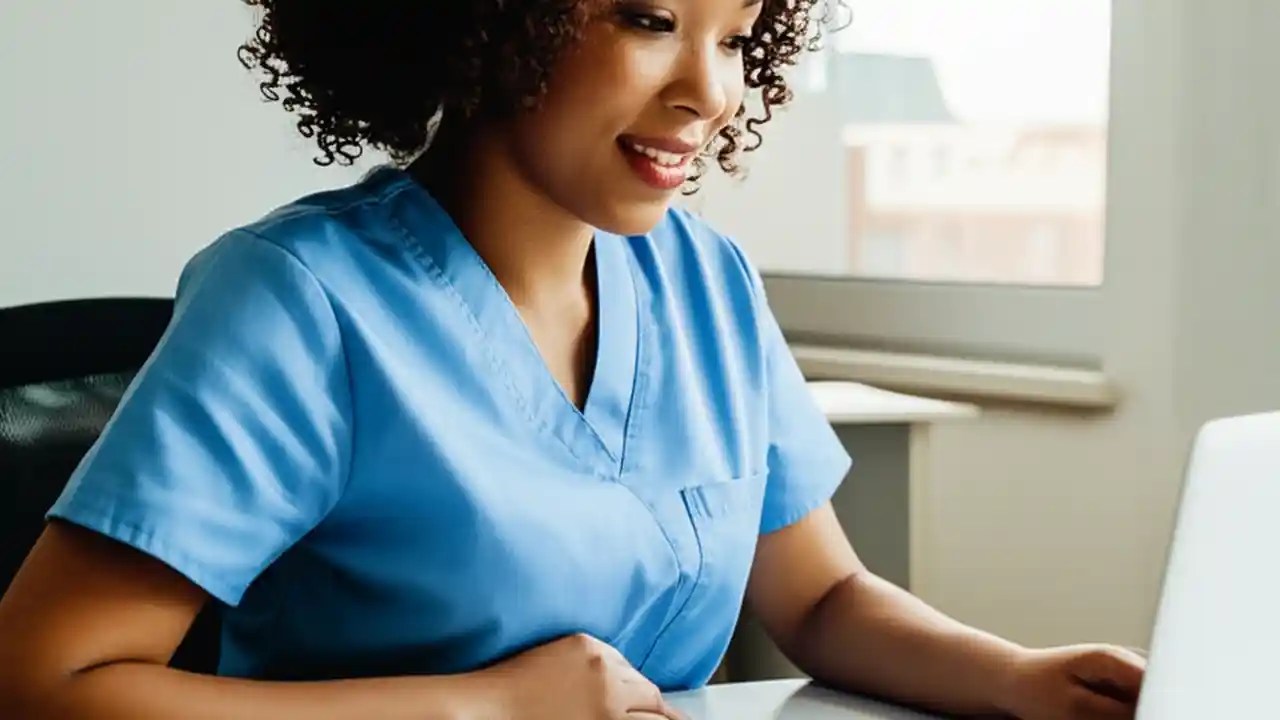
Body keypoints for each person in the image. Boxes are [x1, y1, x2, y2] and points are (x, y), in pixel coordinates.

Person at [0, 1, 1146, 718]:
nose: (708, 91)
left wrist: (1017, 679)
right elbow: (49, 682)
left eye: (737, 36)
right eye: (649, 19)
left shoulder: (708, 282)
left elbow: (823, 597)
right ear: (492, 20)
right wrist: (485, 709)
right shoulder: (300, 302)